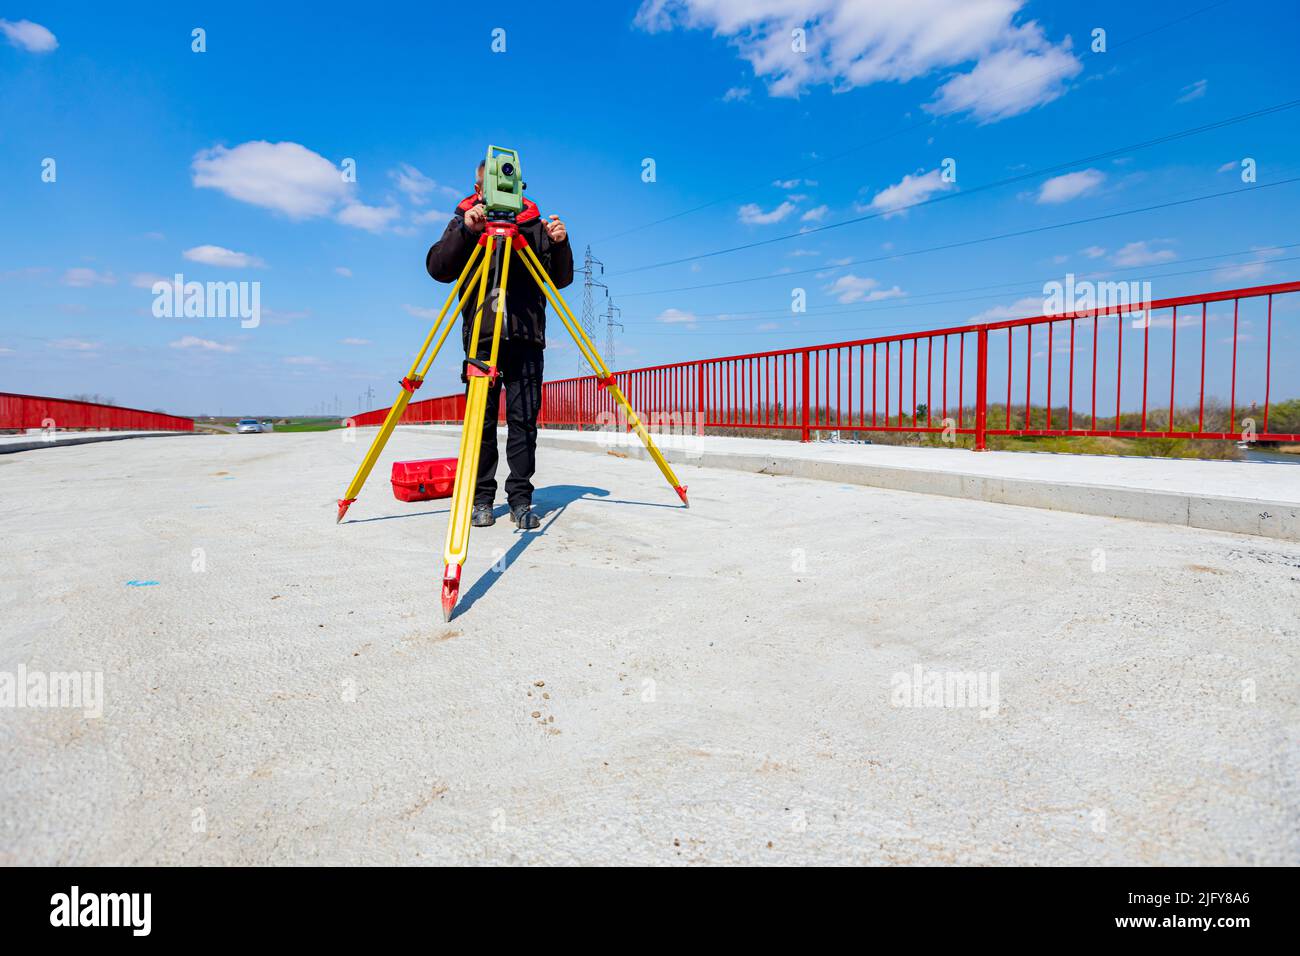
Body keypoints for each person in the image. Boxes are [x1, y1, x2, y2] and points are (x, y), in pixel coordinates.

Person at [426, 159, 573, 530]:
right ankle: (481, 499)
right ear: (478, 189)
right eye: (489, 185)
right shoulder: (466, 221)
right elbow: (438, 268)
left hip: (526, 338)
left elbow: (561, 279)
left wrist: (560, 244)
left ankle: (521, 500)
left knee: (524, 424)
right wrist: (467, 231)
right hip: (482, 336)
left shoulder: (535, 226)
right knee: (482, 423)